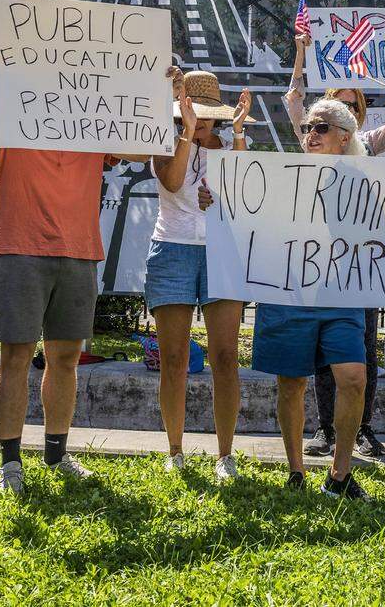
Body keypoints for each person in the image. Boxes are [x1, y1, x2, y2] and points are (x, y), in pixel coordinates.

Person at [0, 43, 150, 494]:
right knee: (16, 355)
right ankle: (10, 462)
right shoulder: (14, 113)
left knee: (66, 359)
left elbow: (142, 149)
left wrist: (156, 89)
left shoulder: (93, 120)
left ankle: (57, 453)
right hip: (19, 248)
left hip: (80, 251)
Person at [199, 99, 385, 500]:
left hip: (343, 296)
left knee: (354, 377)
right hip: (290, 293)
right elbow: (244, 213)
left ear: (344, 138)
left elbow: (378, 236)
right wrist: (215, 204)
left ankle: (339, 475)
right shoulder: (281, 176)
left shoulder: (367, 180)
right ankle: (296, 470)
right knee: (291, 383)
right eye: (307, 128)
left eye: (320, 128)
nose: (309, 134)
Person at [286, 32, 385, 459]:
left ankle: (363, 428)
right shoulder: (309, 149)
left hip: (360, 264)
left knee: (364, 347)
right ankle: (324, 429)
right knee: (320, 347)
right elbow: (295, 100)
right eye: (341, 104)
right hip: (318, 262)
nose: (349, 110)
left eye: (355, 106)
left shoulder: (370, 148)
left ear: (359, 116)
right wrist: (300, 54)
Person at [150, 67, 251, 479]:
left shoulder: (230, 145)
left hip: (221, 253)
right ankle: (175, 451)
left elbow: (247, 197)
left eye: (211, 110)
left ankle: (224, 455)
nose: (204, 116)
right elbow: (172, 183)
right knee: (173, 359)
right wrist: (187, 135)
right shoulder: (165, 140)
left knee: (226, 358)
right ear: (182, 107)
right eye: (196, 108)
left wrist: (240, 134)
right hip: (172, 250)